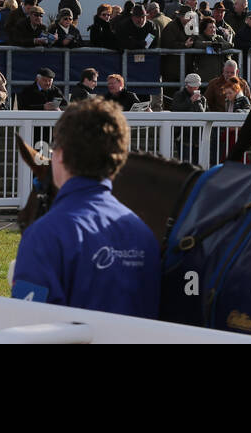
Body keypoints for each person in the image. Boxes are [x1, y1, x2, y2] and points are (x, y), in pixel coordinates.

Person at [12, 99, 160, 317]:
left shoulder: (44, 236)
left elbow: (25, 329)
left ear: (59, 156)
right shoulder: (144, 235)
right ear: (117, 160)